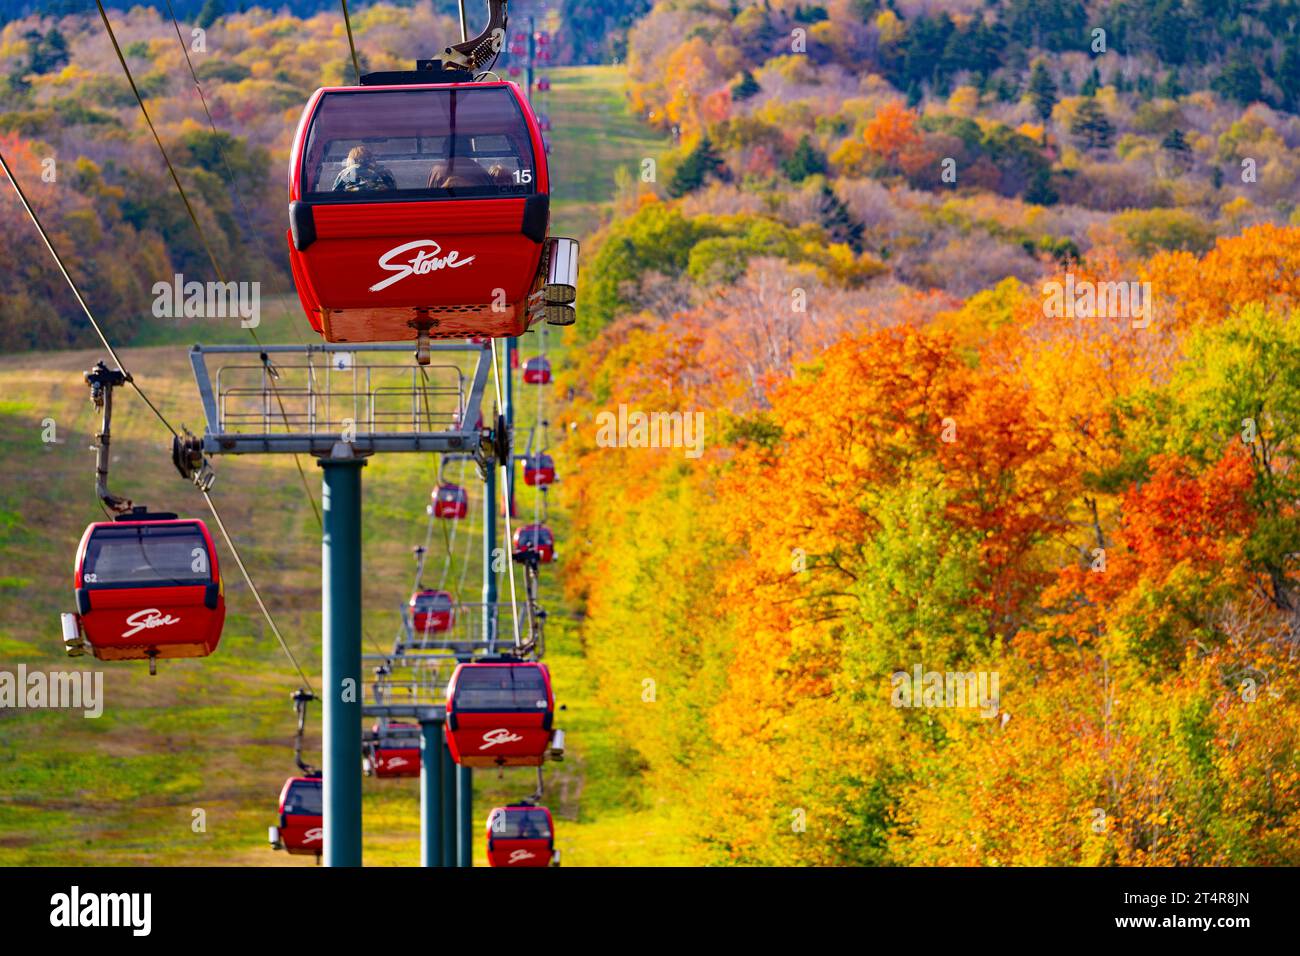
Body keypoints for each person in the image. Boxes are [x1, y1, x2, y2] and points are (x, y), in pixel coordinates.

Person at [332, 145, 396, 192]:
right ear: (371, 158)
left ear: (351, 159)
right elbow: (394, 191)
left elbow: (335, 192)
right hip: (381, 202)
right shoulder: (384, 172)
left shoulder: (346, 172)